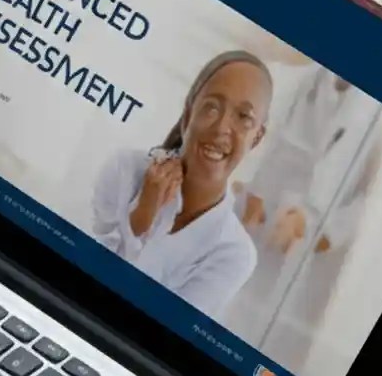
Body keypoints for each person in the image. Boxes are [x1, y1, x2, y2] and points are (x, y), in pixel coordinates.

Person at [225, 65, 382, 376]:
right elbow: (268, 137)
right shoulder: (303, 80)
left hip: (310, 250)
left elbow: (373, 200)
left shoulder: (380, 117)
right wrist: (250, 186)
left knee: (270, 355)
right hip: (259, 220)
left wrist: (317, 228)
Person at [91, 51, 274, 318]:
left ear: (256, 138)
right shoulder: (124, 169)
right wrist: (140, 217)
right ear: (188, 114)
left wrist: (138, 229)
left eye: (243, 117)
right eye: (211, 107)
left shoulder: (235, 254)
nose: (222, 127)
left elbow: (158, 329)